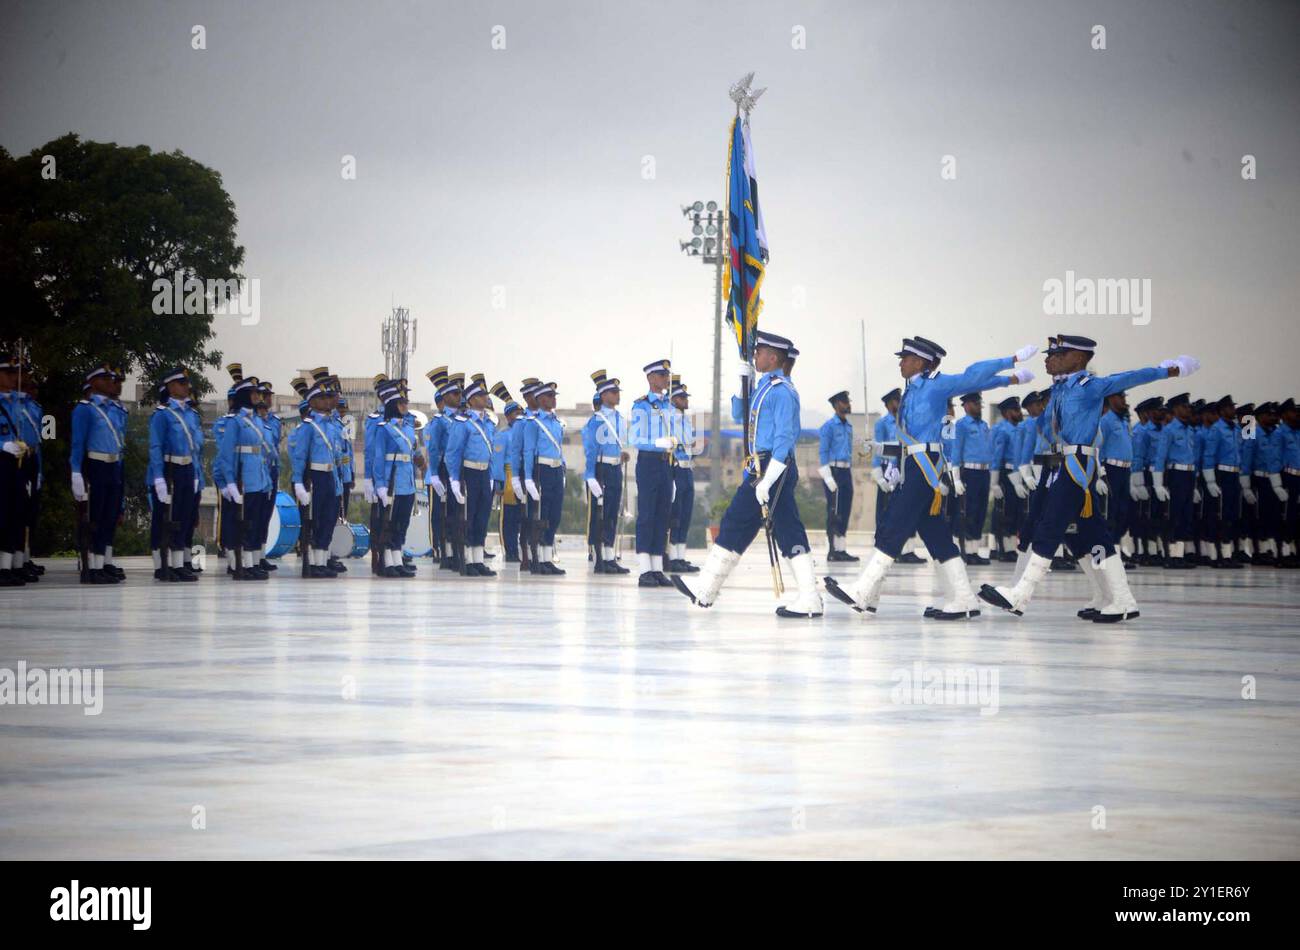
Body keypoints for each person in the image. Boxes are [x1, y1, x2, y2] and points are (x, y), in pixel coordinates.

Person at [980, 337, 1199, 622]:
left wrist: (1170, 370)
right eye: (1050, 354)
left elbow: (1130, 378)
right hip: (1058, 463)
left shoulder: (1090, 386)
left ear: (1079, 359)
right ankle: (1116, 597)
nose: (1050, 359)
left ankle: (1021, 593)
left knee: (1051, 525)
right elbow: (1046, 428)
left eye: (1059, 354)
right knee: (1088, 536)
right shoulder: (1058, 390)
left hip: (1076, 465)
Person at [824, 336, 1035, 619]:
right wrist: (877, 448)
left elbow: (972, 378)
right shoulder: (911, 390)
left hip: (925, 466)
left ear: (921, 362)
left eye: (906, 358)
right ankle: (963, 598)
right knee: (936, 536)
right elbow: (910, 438)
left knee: (895, 523)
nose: (900, 362)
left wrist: (1012, 366)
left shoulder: (936, 386)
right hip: (912, 462)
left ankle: (864, 591)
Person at [674, 330, 824, 618]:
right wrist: (744, 383)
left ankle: (809, 598)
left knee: (778, 526)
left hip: (773, 467)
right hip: (759, 466)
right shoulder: (764, 388)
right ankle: (706, 589)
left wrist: (768, 480)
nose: (754, 356)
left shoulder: (783, 392)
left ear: (773, 357)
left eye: (759, 352)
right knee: (742, 524)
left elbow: (784, 439)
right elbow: (741, 415)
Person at [69, 365, 127, 584]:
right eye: (104, 378)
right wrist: (75, 472)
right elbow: (78, 443)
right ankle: (91, 567)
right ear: (92, 382)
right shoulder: (85, 409)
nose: (110, 382)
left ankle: (101, 565)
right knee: (94, 518)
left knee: (108, 518)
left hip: (113, 466)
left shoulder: (114, 409)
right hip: (95, 465)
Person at [214, 372, 273, 580]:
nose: (258, 396)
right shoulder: (235, 422)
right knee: (243, 524)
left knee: (255, 522)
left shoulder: (256, 421)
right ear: (245, 395)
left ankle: (252, 563)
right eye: (254, 392)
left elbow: (263, 453)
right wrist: (229, 483)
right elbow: (226, 455)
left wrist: (266, 481)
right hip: (243, 480)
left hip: (258, 479)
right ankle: (243, 565)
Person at [148, 367, 202, 581]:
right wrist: (158, 478)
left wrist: (196, 473)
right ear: (170, 387)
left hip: (188, 468)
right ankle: (161, 565)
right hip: (170, 469)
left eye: (186, 383)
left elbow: (196, 446)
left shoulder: (192, 414)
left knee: (183, 517)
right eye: (181, 383)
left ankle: (178, 564)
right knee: (163, 519)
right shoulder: (162, 415)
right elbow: (155, 446)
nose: (186, 387)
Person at [628, 359, 676, 587]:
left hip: (666, 463)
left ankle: (657, 568)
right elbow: (635, 439)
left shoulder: (669, 405)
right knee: (647, 515)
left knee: (662, 515)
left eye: (666, 374)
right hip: (648, 463)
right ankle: (644, 569)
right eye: (660, 374)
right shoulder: (641, 406)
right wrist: (659, 442)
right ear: (650, 378)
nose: (666, 378)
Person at [290, 377, 342, 578]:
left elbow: (337, 456)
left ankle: (321, 562)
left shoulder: (331, 425)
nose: (327, 401)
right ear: (311, 403)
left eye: (328, 397)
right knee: (316, 520)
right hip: (315, 477)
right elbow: (300, 456)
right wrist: (298, 483)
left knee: (328, 519)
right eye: (321, 398)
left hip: (330, 476)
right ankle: (312, 562)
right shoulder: (308, 426)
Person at [445, 377, 496, 576]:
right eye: (482, 396)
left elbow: (491, 451)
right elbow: (453, 453)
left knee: (482, 517)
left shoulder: (488, 422)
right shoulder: (463, 423)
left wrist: (491, 476)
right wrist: (455, 481)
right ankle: (466, 559)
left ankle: (478, 560)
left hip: (484, 473)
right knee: (469, 517)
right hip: (469, 473)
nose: (485, 399)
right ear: (472, 399)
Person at [583, 371, 630, 574]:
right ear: (603, 396)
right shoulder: (596, 420)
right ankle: (599, 556)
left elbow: (617, 444)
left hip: (614, 468)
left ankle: (610, 557)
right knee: (598, 515)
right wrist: (590, 475)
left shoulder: (619, 419)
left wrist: (622, 455)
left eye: (617, 391)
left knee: (611, 513)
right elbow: (590, 449)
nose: (617, 395)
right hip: (600, 469)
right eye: (613, 392)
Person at [370, 388, 419, 578]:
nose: (405, 406)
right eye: (401, 403)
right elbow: (378, 457)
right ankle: (387, 562)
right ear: (392, 405)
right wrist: (380, 485)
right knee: (388, 523)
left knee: (401, 522)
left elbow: (412, 453)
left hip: (406, 480)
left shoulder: (408, 428)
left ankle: (398, 560)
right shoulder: (384, 428)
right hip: (392, 480)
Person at [521, 380, 566, 576]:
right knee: (540, 515)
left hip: (556, 470)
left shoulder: (557, 422)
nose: (553, 399)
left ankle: (548, 558)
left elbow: (559, 449)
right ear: (539, 399)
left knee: (554, 516)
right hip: (541, 469)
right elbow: (528, 450)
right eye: (549, 396)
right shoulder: (533, 422)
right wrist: (528, 478)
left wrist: (563, 469)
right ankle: (536, 558)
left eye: (554, 396)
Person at [1151, 392, 1199, 568]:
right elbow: (1160, 457)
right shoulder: (1169, 430)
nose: (1188, 410)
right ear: (1177, 409)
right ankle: (1171, 556)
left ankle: (1179, 556)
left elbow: (1194, 456)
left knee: (1186, 515)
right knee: (1174, 515)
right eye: (1185, 407)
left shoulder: (1190, 430)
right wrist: (1158, 483)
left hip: (1189, 475)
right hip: (1175, 475)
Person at [1200, 395, 1245, 569]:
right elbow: (1209, 455)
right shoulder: (1216, 430)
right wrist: (1211, 481)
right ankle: (1217, 555)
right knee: (1220, 515)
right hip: (1221, 474)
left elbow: (1243, 450)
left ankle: (1228, 554)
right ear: (1222, 410)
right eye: (1230, 407)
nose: (1234, 410)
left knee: (1232, 515)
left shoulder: (1235, 429)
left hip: (1234, 475)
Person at [0, 352, 33, 586]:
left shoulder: (16, 403)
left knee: (15, 514)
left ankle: (7, 566)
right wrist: (2, 445)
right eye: (8, 373)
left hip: (15, 464)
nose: (13, 378)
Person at [951, 392, 994, 565]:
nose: (978, 407)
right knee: (969, 511)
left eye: (979, 404)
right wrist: (956, 479)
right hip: (969, 471)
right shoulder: (961, 425)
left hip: (984, 472)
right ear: (967, 406)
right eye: (976, 404)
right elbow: (956, 451)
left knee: (980, 512)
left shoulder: (984, 425)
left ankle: (974, 550)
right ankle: (966, 551)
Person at [819, 390, 858, 562]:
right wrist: (827, 477)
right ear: (836, 405)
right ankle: (832, 550)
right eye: (844, 401)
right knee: (834, 511)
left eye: (848, 401)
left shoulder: (848, 427)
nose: (848, 404)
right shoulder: (828, 426)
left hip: (845, 471)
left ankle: (841, 549)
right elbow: (823, 452)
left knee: (845, 509)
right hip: (833, 470)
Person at [1097, 391, 1135, 564]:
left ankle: (1115, 554)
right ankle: (1103, 556)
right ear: (1111, 399)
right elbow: (1096, 448)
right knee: (1108, 513)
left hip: (1125, 470)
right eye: (1121, 397)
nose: (1124, 401)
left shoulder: (1124, 420)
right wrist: (1099, 475)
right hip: (1110, 469)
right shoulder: (1105, 421)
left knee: (1123, 513)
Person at [667, 375, 698, 573]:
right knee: (676, 514)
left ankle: (681, 556)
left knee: (686, 513)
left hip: (687, 468)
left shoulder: (685, 420)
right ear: (674, 399)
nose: (686, 401)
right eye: (682, 397)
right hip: (676, 468)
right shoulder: (669, 418)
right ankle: (672, 556)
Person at [990, 395, 1027, 562]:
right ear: (1006, 413)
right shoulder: (1002, 429)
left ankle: (1011, 547)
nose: (1020, 412)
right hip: (1006, 473)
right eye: (1016, 410)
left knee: (1018, 511)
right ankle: (1003, 549)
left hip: (1019, 474)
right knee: (1006, 512)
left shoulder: (1019, 429)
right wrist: (994, 482)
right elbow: (996, 456)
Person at [491, 383, 525, 564]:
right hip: (509, 476)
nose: (518, 416)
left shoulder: (525, 431)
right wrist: (499, 481)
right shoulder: (503, 435)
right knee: (508, 517)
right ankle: (509, 550)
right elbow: (497, 460)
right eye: (515, 414)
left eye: (520, 413)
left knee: (522, 515)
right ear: (508, 416)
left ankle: (520, 549)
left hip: (522, 476)